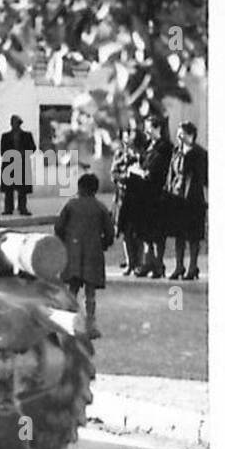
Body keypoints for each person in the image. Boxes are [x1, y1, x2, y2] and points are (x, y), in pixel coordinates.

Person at [54, 173, 114, 340]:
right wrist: (104, 244)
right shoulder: (100, 207)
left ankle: (70, 323)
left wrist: (64, 242)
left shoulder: (71, 205)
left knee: (72, 289)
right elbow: (109, 232)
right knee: (90, 292)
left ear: (79, 188)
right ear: (95, 190)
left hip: (73, 252)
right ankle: (90, 325)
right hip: (93, 253)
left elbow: (59, 226)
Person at [164, 121, 207, 281]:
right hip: (177, 198)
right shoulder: (177, 151)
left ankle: (193, 267)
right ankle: (179, 266)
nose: (179, 136)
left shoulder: (199, 153)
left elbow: (201, 177)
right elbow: (171, 173)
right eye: (178, 133)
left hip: (193, 199)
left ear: (190, 135)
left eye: (182, 133)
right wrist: (168, 191)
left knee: (193, 236)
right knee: (179, 234)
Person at [137, 112, 174, 277]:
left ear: (158, 128)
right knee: (146, 230)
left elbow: (158, 168)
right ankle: (148, 261)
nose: (146, 132)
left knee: (158, 232)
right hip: (145, 194)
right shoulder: (148, 146)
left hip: (157, 193)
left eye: (149, 129)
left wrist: (145, 171)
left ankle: (159, 264)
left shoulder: (165, 147)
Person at [110, 126, 149, 275]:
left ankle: (139, 263)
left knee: (137, 232)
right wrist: (122, 177)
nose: (127, 140)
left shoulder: (142, 155)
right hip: (122, 197)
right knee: (125, 230)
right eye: (125, 137)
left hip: (137, 197)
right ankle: (130, 262)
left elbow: (145, 174)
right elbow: (113, 172)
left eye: (129, 137)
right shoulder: (119, 154)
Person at [0, 115, 36, 216]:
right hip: (9, 164)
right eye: (13, 123)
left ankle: (22, 208)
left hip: (22, 163)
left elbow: (33, 148)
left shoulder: (27, 135)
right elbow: (2, 150)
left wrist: (22, 153)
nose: (14, 125)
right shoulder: (5, 136)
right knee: (8, 190)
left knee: (22, 189)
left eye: (16, 123)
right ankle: (8, 209)